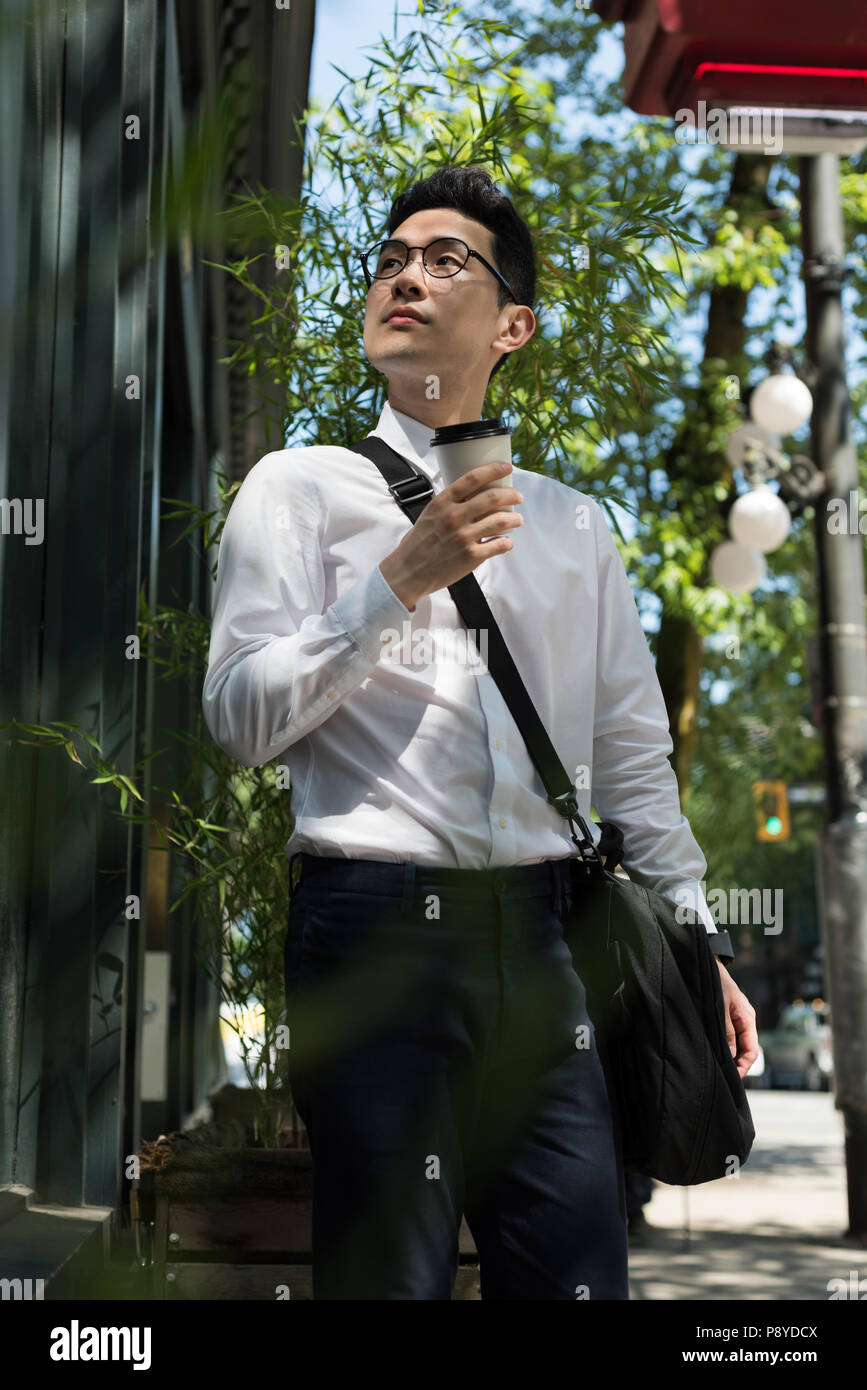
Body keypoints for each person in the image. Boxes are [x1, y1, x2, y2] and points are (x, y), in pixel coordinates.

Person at [202, 165, 759, 1300]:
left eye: (445, 258)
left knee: (577, 1277)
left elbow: (633, 759)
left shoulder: (572, 523)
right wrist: (393, 585)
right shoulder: (295, 487)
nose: (405, 274)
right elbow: (239, 721)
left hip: (551, 941)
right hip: (373, 932)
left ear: (514, 324)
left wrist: (697, 943)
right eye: (392, 257)